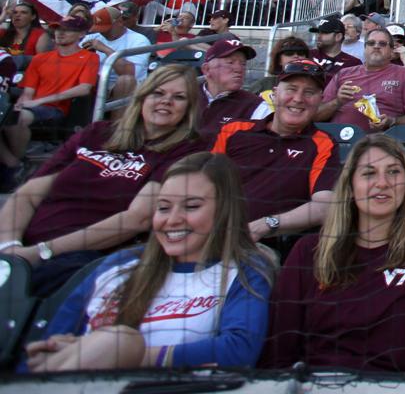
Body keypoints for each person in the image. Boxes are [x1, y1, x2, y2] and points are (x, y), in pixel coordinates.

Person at [24, 153, 274, 372]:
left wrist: (123, 356)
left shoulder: (245, 270)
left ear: (225, 211)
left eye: (191, 206)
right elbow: (44, 352)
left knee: (119, 341)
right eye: (163, 208)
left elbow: (237, 352)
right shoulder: (118, 266)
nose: (172, 220)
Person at [261, 135, 405, 372]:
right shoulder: (308, 251)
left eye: (393, 172)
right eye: (369, 173)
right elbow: (278, 348)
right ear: (350, 187)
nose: (382, 183)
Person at [0, 66, 207, 296]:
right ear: (142, 96)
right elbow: (29, 193)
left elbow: (137, 219)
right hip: (24, 241)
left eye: (178, 97)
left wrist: (42, 252)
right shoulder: (97, 133)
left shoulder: (184, 152)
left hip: (84, 256)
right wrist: (8, 245)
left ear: (188, 109)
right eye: (158, 93)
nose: (166, 101)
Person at [210, 59, 340, 238]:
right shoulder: (234, 130)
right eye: (291, 89)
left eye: (309, 92)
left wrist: (266, 225)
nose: (298, 99)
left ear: (320, 100)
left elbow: (325, 207)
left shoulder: (322, 143)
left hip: (267, 243)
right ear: (275, 94)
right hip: (213, 231)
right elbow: (203, 183)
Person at [0, 16, 99, 187]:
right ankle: (15, 164)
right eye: (58, 29)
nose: (60, 33)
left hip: (59, 109)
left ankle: (15, 165)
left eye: (68, 30)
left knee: (17, 117)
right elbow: (28, 91)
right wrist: (23, 102)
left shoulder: (89, 58)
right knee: (10, 114)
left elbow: (84, 88)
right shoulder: (40, 58)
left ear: (82, 34)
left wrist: (39, 102)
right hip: (35, 106)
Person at [316, 28, 405, 130]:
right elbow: (317, 114)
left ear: (391, 50)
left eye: (382, 44)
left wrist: (392, 122)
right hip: (339, 139)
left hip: (382, 141)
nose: (376, 46)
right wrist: (337, 102)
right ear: (365, 48)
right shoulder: (343, 73)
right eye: (371, 43)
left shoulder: (404, 74)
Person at [196, 39, 261, 134]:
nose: (239, 69)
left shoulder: (255, 105)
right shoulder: (185, 96)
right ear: (207, 69)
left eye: (243, 64)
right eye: (230, 63)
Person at [0, 1, 46, 70]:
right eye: (15, 12)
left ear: (33, 17)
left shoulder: (40, 35)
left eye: (23, 12)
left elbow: (44, 61)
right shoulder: (4, 32)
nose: (17, 15)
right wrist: (2, 17)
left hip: (26, 74)